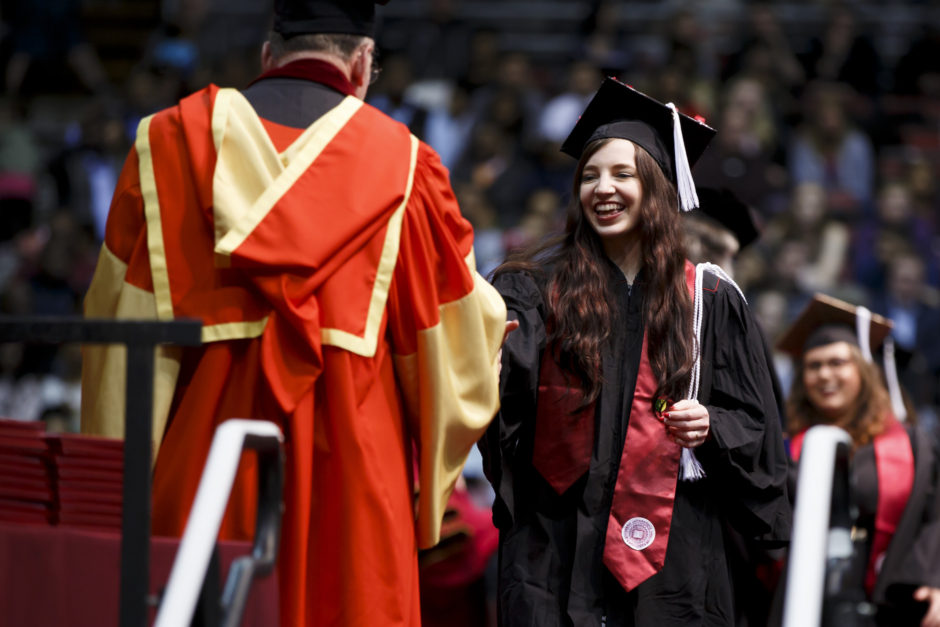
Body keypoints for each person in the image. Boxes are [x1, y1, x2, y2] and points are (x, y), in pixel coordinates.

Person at [79, 1, 509, 625]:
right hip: (356, 467)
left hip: (208, 462)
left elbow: (117, 334)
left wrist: (112, 497)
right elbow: (452, 336)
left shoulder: (169, 143)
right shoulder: (407, 166)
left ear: (266, 56)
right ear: (362, 65)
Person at [479, 77, 791, 626]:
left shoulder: (708, 299)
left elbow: (758, 431)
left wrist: (712, 424)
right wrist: (488, 365)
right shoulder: (531, 289)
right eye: (590, 175)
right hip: (554, 542)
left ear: (659, 188)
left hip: (671, 552)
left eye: (623, 174)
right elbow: (503, 404)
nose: (603, 188)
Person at [776, 293, 940, 626]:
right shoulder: (787, 449)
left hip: (889, 602)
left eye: (837, 363)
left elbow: (935, 516)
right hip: (805, 600)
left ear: (864, 370)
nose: (824, 375)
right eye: (813, 366)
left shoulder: (911, 445)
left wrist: (936, 579)